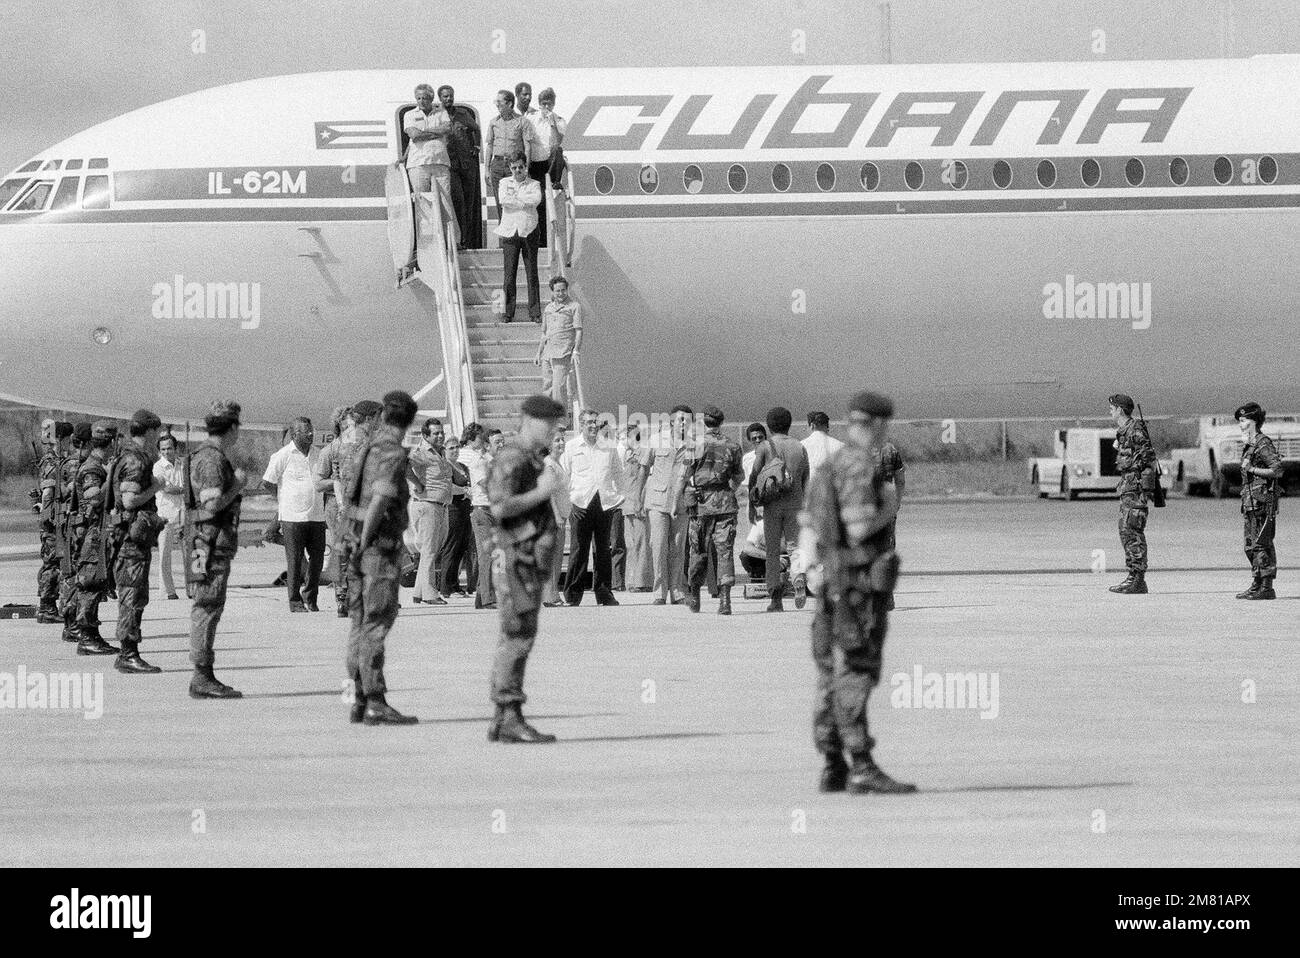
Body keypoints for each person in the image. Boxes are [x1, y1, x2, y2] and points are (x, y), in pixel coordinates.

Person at [802, 390, 914, 795]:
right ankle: (861, 766)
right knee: (855, 673)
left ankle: (832, 763)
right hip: (857, 588)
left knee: (829, 673)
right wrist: (889, 504)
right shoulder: (860, 467)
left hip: (831, 584)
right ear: (880, 424)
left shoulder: (829, 467)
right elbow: (858, 526)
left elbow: (809, 525)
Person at [487, 393, 567, 743]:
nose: (552, 431)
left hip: (527, 560)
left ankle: (504, 716)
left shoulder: (531, 459)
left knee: (518, 637)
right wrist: (542, 492)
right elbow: (501, 507)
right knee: (517, 638)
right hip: (516, 561)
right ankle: (508, 714)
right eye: (548, 425)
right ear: (530, 421)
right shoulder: (512, 457)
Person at [343, 391, 420, 725]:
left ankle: (355, 698)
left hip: (355, 546)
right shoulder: (390, 451)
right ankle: (374, 700)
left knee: (358, 625)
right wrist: (364, 540)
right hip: (376, 549)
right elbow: (380, 500)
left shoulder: (366, 449)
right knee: (375, 625)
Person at [185, 401, 246, 699]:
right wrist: (237, 485)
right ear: (232, 427)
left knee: (206, 605)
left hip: (204, 543)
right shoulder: (211, 460)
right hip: (209, 544)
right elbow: (211, 505)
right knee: (207, 606)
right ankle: (202, 676)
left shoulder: (206, 455)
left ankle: (203, 674)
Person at [106, 409, 167, 674]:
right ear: (151, 432)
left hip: (131, 538)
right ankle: (128, 654)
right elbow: (130, 500)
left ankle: (129, 652)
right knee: (132, 594)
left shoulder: (130, 456)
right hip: (131, 541)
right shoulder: (135, 460)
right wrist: (156, 487)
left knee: (136, 593)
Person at [677, 405, 744, 615]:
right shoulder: (732, 445)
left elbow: (683, 475)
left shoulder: (694, 445)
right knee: (725, 552)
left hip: (700, 505)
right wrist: (727, 491)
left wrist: (677, 500)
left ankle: (695, 595)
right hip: (725, 504)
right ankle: (725, 601)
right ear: (720, 423)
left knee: (697, 551)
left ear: (703, 422)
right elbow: (739, 477)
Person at [747, 406, 810, 612]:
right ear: (789, 424)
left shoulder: (765, 447)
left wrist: (752, 504)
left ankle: (775, 598)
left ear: (769, 425)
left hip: (772, 505)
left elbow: (755, 476)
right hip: (795, 504)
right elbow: (805, 479)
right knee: (795, 547)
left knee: (772, 551)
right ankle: (799, 577)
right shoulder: (800, 447)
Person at [562, 410, 625, 606]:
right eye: (588, 423)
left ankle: (604, 592)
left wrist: (620, 497)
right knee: (579, 549)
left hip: (604, 502)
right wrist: (570, 503)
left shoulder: (608, 446)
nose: (592, 426)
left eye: (595, 423)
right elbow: (565, 476)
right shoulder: (572, 446)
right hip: (580, 503)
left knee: (604, 550)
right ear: (581, 425)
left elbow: (618, 473)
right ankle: (573, 594)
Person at [263, 417, 326, 612]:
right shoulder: (283, 455)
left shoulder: (320, 454)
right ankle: (294, 600)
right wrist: (282, 500)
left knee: (317, 559)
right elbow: (268, 481)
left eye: (311, 430)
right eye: (306, 431)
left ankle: (311, 596)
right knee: (294, 559)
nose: (310, 434)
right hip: (292, 517)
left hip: (316, 516)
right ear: (294, 434)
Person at [71, 421, 120, 656]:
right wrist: (110, 477)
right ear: (110, 443)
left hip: (98, 531)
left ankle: (92, 634)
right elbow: (93, 499)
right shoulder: (93, 468)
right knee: (90, 583)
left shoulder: (98, 465)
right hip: (93, 533)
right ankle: (87, 637)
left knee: (97, 582)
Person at [1108, 393, 1158, 595]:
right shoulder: (1124, 431)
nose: (1110, 411)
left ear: (1120, 409)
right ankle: (1132, 575)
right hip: (1128, 487)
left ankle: (1138, 579)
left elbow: (1148, 458)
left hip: (1136, 489)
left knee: (1133, 531)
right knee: (1126, 530)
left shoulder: (1135, 429)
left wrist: (1144, 488)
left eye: (1112, 408)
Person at [337, 400, 383, 616]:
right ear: (369, 418)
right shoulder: (365, 441)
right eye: (378, 417)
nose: (380, 421)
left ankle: (345, 599)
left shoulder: (344, 439)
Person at [1235, 402, 1282, 600]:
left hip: (1261, 500)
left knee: (1262, 542)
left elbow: (1277, 469)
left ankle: (1266, 585)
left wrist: (1253, 470)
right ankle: (1256, 581)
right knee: (1250, 544)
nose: (1240, 424)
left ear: (1253, 422)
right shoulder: (1251, 444)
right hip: (1250, 501)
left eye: (1243, 420)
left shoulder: (1263, 444)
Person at [403, 83, 456, 260]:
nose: (422, 101)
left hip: (440, 163)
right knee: (423, 204)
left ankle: (450, 243)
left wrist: (424, 132)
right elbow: (414, 135)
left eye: (425, 98)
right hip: (418, 164)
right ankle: (426, 246)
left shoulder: (441, 112)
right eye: (418, 98)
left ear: (431, 98)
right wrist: (435, 132)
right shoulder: (410, 115)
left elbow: (447, 129)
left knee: (445, 202)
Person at [646, 405, 692, 605]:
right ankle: (659, 591)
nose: (684, 423)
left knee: (678, 546)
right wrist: (637, 498)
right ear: (672, 421)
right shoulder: (656, 439)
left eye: (687, 420)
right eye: (680, 419)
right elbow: (643, 467)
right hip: (657, 500)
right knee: (658, 546)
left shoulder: (694, 444)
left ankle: (677, 589)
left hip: (681, 501)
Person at [408, 417, 452, 605]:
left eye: (441, 432)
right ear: (426, 436)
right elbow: (403, 464)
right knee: (429, 550)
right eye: (436, 433)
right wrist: (417, 483)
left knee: (433, 548)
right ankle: (430, 594)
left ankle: (419, 591)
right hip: (427, 505)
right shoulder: (422, 452)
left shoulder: (439, 453)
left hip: (440, 505)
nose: (441, 436)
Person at [495, 153, 543, 322]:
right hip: (510, 231)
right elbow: (503, 200)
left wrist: (515, 199)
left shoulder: (535, 184)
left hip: (529, 230)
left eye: (520, 167)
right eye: (514, 168)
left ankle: (535, 312)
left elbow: (536, 199)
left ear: (526, 167)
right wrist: (524, 202)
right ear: (510, 168)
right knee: (509, 275)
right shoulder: (503, 183)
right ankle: (507, 312)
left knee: (532, 274)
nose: (517, 171)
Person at [57, 423, 92, 643]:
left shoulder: (71, 463)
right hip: (75, 525)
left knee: (70, 573)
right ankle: (72, 624)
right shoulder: (76, 465)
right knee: (73, 573)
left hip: (70, 524)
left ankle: (71, 623)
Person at [483, 90, 542, 222]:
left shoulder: (522, 122)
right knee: (501, 202)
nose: (496, 104)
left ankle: (518, 236)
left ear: (509, 104)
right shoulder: (494, 122)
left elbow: (527, 146)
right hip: (497, 165)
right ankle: (505, 238)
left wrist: (525, 168)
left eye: (499, 102)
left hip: (515, 166)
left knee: (516, 200)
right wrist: (487, 169)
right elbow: (490, 146)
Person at [36, 420, 73, 623]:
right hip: (52, 520)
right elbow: (48, 493)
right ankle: (47, 608)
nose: (69, 444)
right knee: (51, 564)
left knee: (52, 562)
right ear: (60, 439)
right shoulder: (51, 462)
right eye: (67, 440)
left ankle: (48, 606)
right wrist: (48, 518)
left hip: (55, 518)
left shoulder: (55, 459)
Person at [459, 423, 497, 608]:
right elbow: (485, 483)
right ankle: (488, 598)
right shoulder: (476, 459)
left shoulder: (483, 457)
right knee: (486, 555)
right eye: (481, 438)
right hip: (483, 509)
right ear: (472, 439)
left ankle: (482, 597)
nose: (485, 442)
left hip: (487, 508)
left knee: (489, 553)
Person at [437, 434, 476, 597]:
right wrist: (464, 491)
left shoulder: (463, 466)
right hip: (453, 510)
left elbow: (470, 484)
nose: (455, 450)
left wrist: (469, 492)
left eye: (456, 447)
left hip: (466, 509)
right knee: (451, 547)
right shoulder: (446, 466)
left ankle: (455, 584)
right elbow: (448, 487)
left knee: (461, 547)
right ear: (444, 450)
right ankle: (445, 586)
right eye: (451, 448)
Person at [535, 275, 582, 409]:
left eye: (563, 290)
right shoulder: (549, 308)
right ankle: (547, 420)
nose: (561, 293)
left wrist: (576, 350)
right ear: (552, 292)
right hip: (547, 353)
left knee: (558, 389)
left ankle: (561, 423)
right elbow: (544, 333)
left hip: (563, 352)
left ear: (567, 290)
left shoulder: (574, 306)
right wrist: (539, 352)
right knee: (547, 387)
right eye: (557, 291)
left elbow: (578, 330)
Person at [619, 425, 653, 591]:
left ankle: (643, 581)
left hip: (638, 504)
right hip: (628, 505)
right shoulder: (629, 455)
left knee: (641, 543)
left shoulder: (643, 455)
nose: (624, 441)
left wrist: (642, 502)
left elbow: (645, 480)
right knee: (631, 544)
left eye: (626, 437)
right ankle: (631, 580)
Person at [153, 433, 185, 600]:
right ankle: (168, 591)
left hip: (183, 513)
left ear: (175, 448)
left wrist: (181, 488)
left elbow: (190, 483)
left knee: (190, 551)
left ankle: (193, 587)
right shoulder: (158, 467)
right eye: (163, 449)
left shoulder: (183, 464)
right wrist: (183, 489)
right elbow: (166, 488)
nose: (166, 452)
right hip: (165, 514)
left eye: (169, 448)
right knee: (164, 553)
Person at [542, 429, 571, 606]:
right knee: (553, 558)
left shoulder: (558, 463)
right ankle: (550, 596)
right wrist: (557, 515)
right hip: (553, 517)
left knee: (557, 557)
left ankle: (553, 594)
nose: (561, 443)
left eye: (562, 440)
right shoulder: (549, 464)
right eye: (557, 440)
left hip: (561, 514)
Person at [802, 411, 845, 475]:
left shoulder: (801, 445)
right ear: (827, 426)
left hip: (807, 483)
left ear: (812, 426)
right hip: (830, 483)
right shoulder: (840, 446)